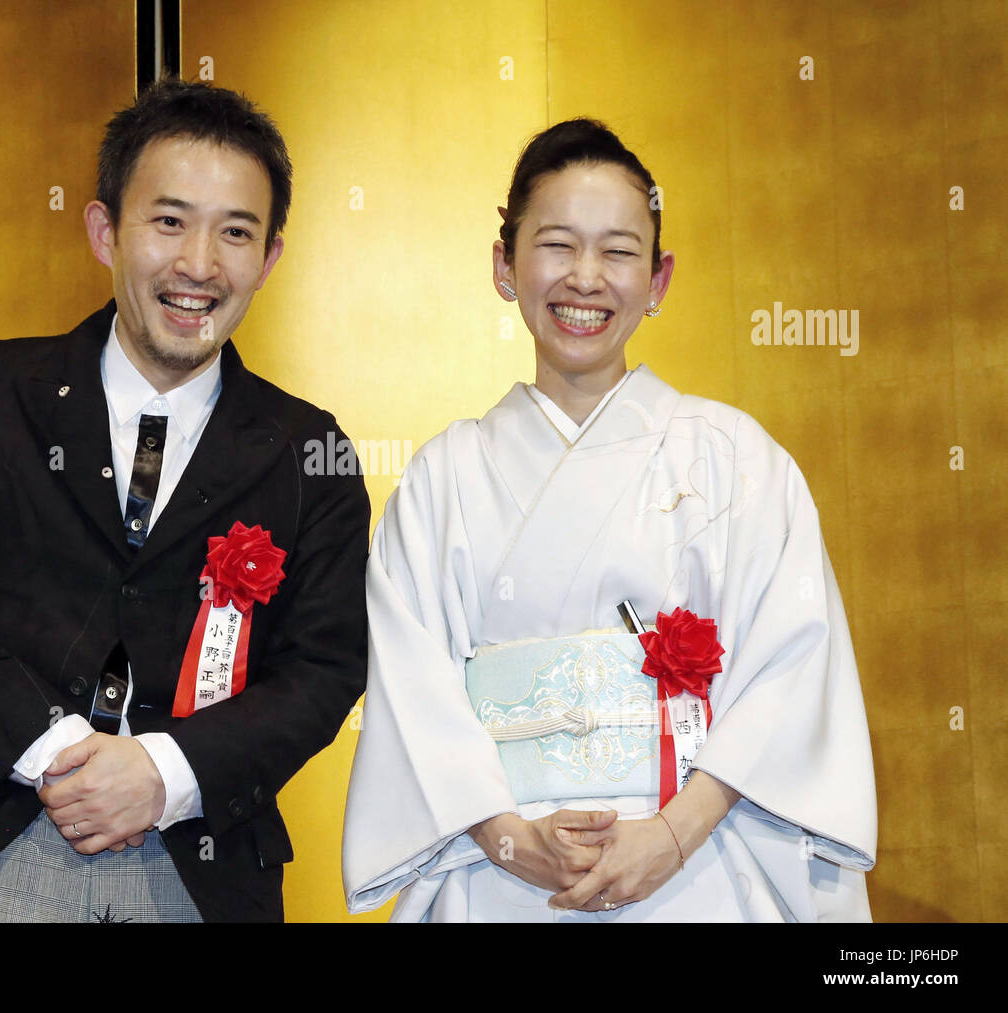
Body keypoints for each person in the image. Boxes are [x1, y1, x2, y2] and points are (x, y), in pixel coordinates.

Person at [0, 78, 369, 923]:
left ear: (269, 258)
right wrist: (51, 746)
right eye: (168, 221)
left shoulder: (312, 452)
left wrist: (164, 771)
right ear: (105, 230)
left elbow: (324, 668)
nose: (199, 264)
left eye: (234, 232)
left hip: (197, 868)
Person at [341, 118, 876, 922]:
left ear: (658, 280)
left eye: (619, 252)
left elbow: (790, 670)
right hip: (505, 872)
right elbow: (412, 695)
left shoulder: (737, 459)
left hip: (697, 859)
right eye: (556, 244)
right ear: (504, 265)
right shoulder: (441, 480)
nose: (585, 277)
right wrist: (512, 839)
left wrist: (671, 832)